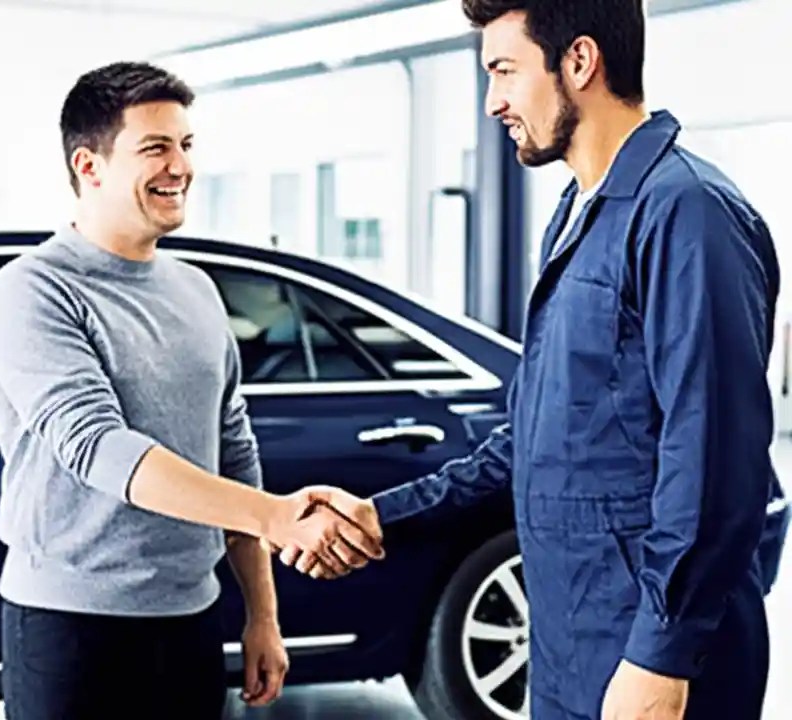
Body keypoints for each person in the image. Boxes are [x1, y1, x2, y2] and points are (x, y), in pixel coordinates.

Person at [283, 1, 781, 718]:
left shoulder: (686, 213)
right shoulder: (579, 213)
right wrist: (382, 516)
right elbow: (534, 438)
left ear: (579, 62)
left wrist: (661, 656)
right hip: (566, 642)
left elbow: (714, 458)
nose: (493, 102)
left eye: (505, 71)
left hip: (651, 657)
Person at [0, 61, 383, 720]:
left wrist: (262, 614)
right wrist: (277, 517)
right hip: (72, 628)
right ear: (90, 165)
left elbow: (233, 451)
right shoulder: (34, 291)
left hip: (192, 619)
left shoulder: (195, 289)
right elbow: (99, 448)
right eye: (155, 148)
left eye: (186, 145)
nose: (180, 166)